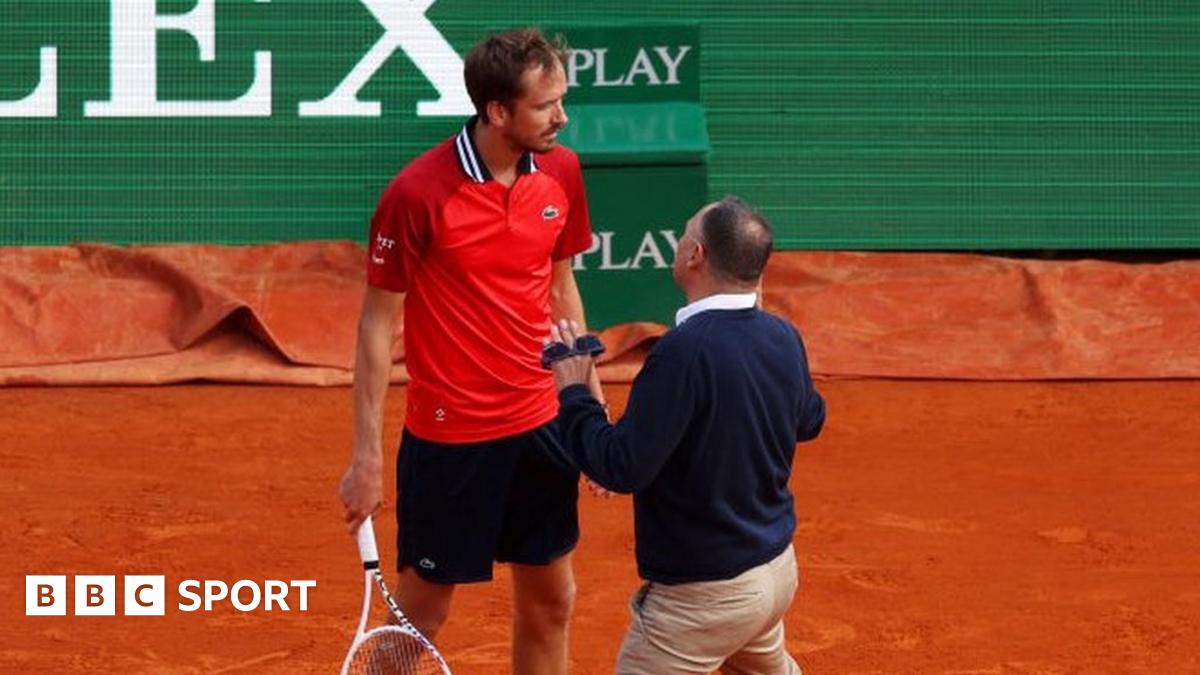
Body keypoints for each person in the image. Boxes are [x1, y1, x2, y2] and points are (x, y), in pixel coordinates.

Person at [338, 28, 605, 675]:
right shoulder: (417, 194)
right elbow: (377, 327)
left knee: (552, 601)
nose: (562, 118)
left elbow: (561, 287)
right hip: (450, 439)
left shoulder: (562, 171)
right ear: (496, 111)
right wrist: (367, 457)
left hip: (542, 425)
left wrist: (589, 404)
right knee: (420, 618)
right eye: (546, 106)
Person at [547, 196, 825, 674]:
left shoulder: (683, 353)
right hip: (774, 573)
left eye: (683, 234)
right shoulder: (782, 336)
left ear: (696, 255)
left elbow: (621, 466)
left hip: (703, 599)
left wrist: (574, 391)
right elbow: (809, 420)